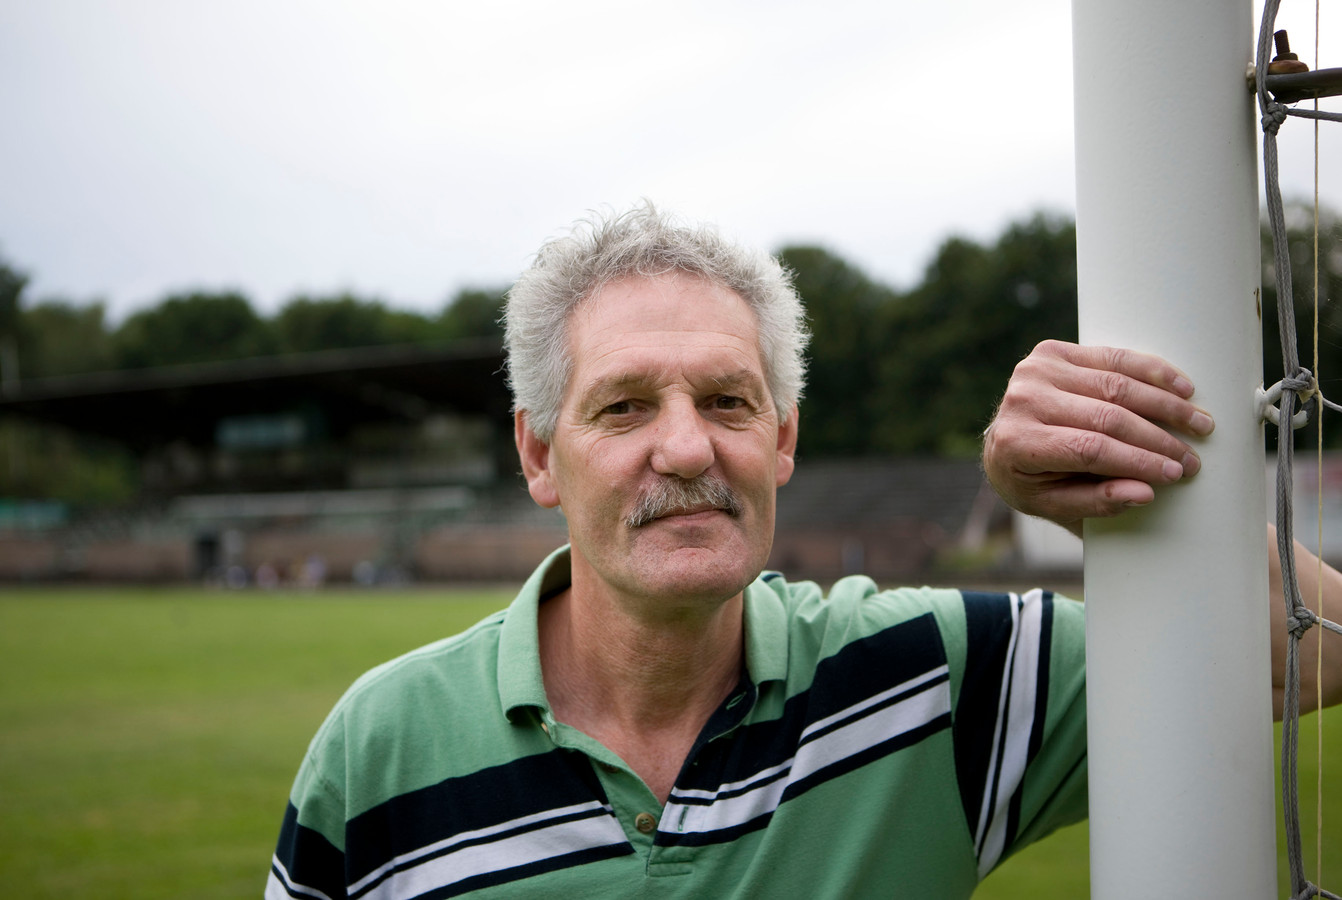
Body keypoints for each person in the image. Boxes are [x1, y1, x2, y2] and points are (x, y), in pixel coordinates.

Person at [266, 205, 1341, 900]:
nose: (685, 446)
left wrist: (1112, 489)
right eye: (625, 406)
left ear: (781, 439)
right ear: (539, 453)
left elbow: (1318, 642)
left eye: (728, 400)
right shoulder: (379, 754)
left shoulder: (932, 678)